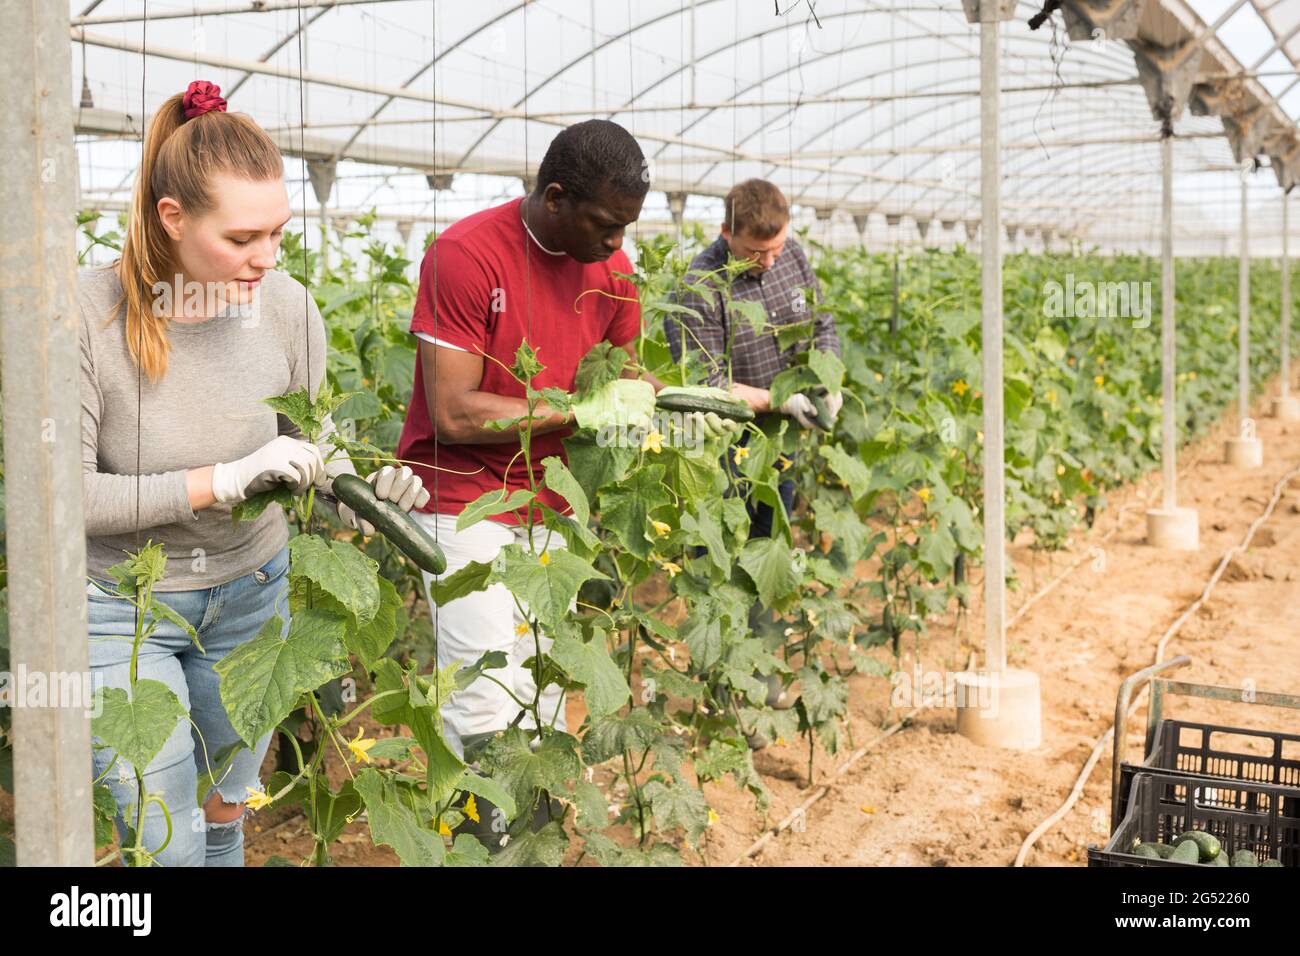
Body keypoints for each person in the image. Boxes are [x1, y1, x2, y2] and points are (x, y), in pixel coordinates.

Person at [80, 80, 426, 866]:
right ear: (172, 219)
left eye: (278, 233)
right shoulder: (87, 315)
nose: (266, 259)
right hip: (121, 612)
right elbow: (58, 501)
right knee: (164, 844)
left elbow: (312, 445)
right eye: (242, 239)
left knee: (221, 819)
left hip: (251, 592)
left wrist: (367, 492)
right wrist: (224, 479)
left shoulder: (287, 306)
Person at [397, 119, 696, 767]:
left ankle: (536, 827)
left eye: (627, 226)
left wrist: (677, 398)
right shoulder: (467, 256)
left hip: (549, 497)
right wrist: (577, 409)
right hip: (459, 500)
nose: (618, 242)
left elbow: (619, 371)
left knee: (543, 683)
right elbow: (453, 412)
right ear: (555, 197)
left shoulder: (611, 270)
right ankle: (483, 839)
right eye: (604, 224)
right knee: (483, 690)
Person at [666, 178, 843, 539]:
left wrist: (829, 382)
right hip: (727, 441)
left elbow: (822, 324)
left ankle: (762, 598)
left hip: (781, 435)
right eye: (755, 252)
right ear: (726, 232)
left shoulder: (792, 254)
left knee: (772, 534)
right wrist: (779, 401)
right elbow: (707, 386)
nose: (768, 261)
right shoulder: (698, 287)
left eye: (775, 248)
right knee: (719, 540)